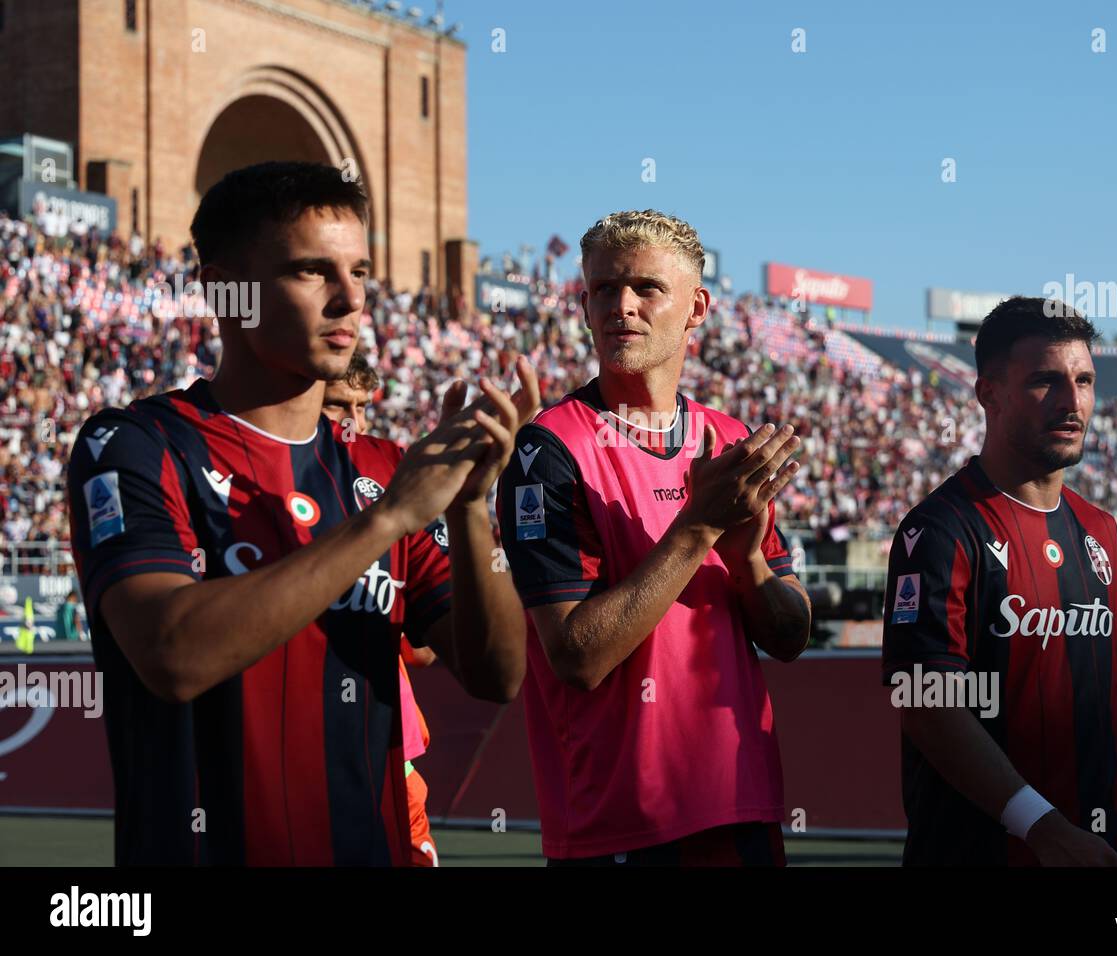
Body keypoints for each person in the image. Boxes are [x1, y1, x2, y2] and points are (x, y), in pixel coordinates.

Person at [66, 161, 539, 865]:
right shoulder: (135, 445)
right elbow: (173, 655)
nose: (352, 300)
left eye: (362, 272)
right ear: (226, 293)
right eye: (314, 272)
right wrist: (382, 525)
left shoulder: (384, 468)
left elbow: (496, 676)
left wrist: (472, 510)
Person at [496, 209, 811, 866]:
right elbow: (578, 658)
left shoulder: (730, 442)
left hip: (742, 807)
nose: (621, 307)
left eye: (645, 288)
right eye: (603, 290)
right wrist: (698, 527)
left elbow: (789, 638)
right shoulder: (550, 449)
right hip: (618, 825)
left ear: (696, 308)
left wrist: (747, 556)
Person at [881, 296, 1117, 866]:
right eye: (1046, 381)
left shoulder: (1100, 529)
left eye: (1084, 380)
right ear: (988, 392)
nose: (1073, 402)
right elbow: (925, 704)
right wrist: (1045, 831)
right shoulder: (940, 530)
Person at [321, 351, 439, 867]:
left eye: (362, 407)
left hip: (389, 740)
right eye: (336, 406)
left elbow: (430, 647)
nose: (353, 423)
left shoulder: (386, 477)